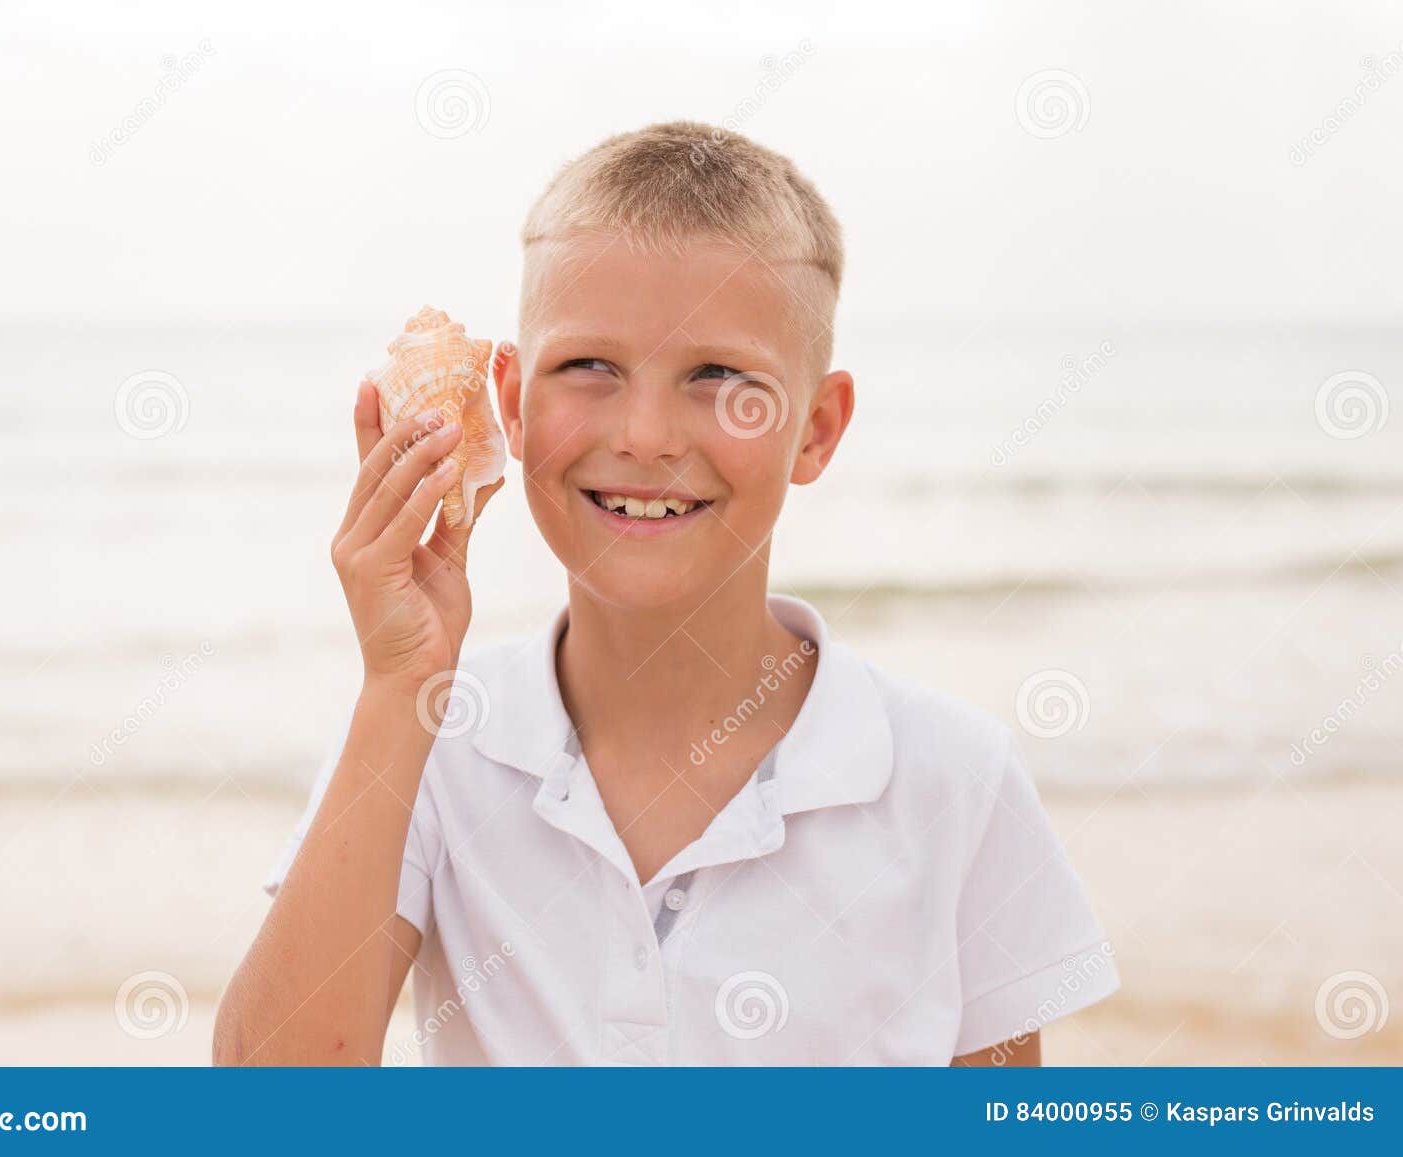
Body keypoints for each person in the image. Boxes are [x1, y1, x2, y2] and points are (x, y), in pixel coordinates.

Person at [214, 120, 1118, 1066]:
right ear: (513, 405)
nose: (646, 435)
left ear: (816, 427)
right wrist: (399, 682)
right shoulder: (434, 741)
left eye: (718, 376)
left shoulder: (950, 779)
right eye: (589, 367)